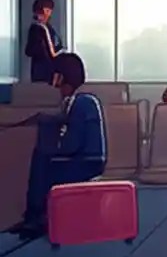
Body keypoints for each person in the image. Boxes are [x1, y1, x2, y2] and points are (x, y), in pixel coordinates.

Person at [16, 54, 106, 240]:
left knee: (42, 160)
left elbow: (72, 145)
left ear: (62, 77)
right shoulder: (84, 100)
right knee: (44, 157)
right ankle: (35, 214)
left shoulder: (81, 103)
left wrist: (53, 147)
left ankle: (36, 214)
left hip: (86, 162)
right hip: (89, 160)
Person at [25, 0, 64, 84]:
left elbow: (57, 46)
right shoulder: (36, 29)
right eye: (42, 11)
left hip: (53, 68)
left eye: (48, 11)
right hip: (41, 69)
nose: (45, 14)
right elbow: (29, 50)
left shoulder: (50, 29)